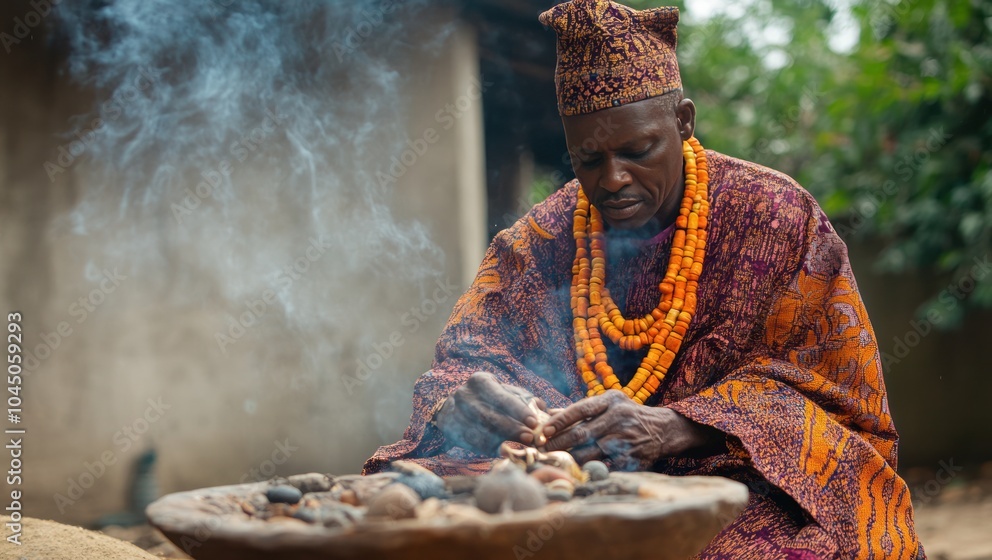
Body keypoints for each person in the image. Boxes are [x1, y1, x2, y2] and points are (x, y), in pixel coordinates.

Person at [364, 1, 924, 557]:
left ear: (683, 121)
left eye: (637, 151)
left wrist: (674, 426)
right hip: (573, 479)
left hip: (733, 476)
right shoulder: (537, 241)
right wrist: (465, 400)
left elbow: (834, 398)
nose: (613, 179)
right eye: (588, 159)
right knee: (422, 502)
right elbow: (463, 364)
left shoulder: (776, 216)